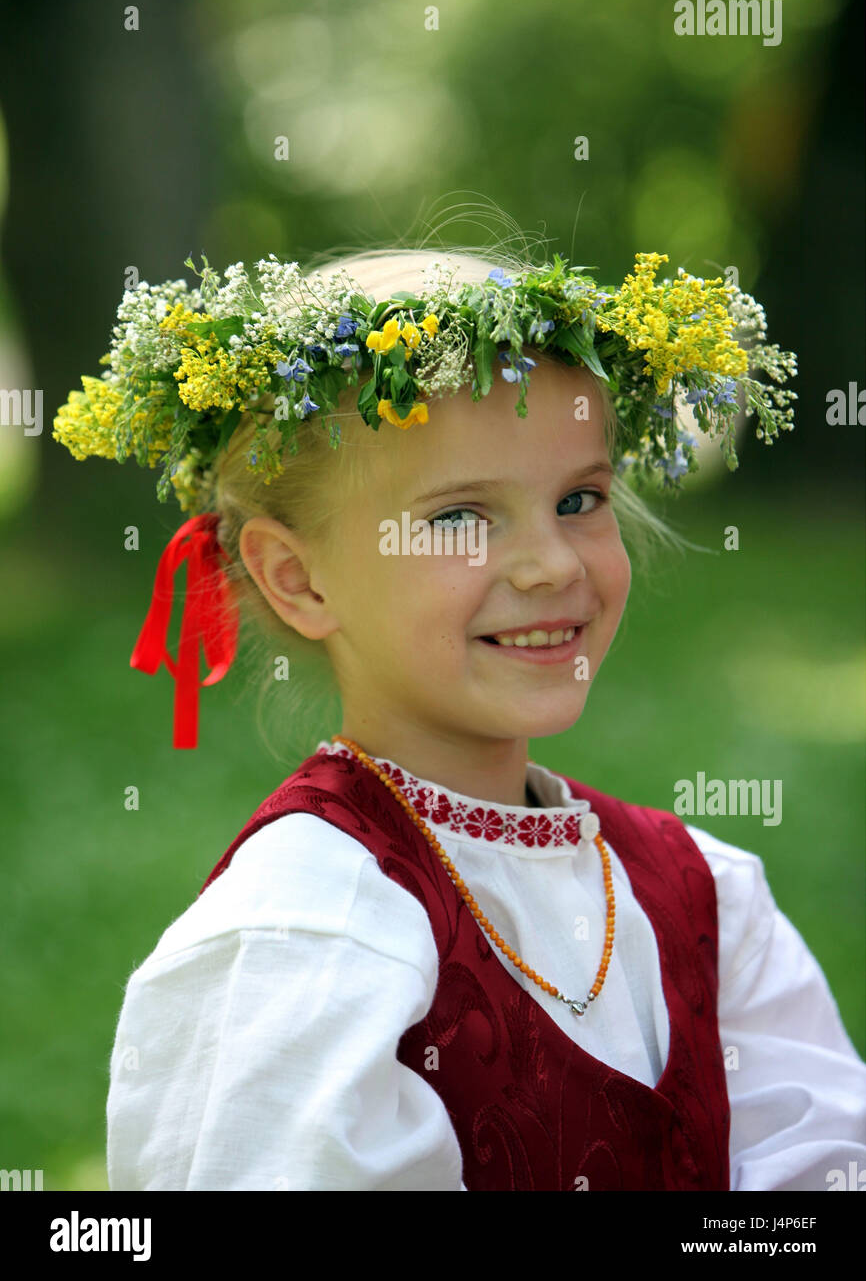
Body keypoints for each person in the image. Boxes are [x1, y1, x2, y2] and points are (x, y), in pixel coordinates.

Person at [54, 242, 865, 1190]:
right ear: (298, 578)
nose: (551, 565)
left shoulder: (705, 901)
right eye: (459, 518)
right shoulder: (308, 935)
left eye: (579, 500)